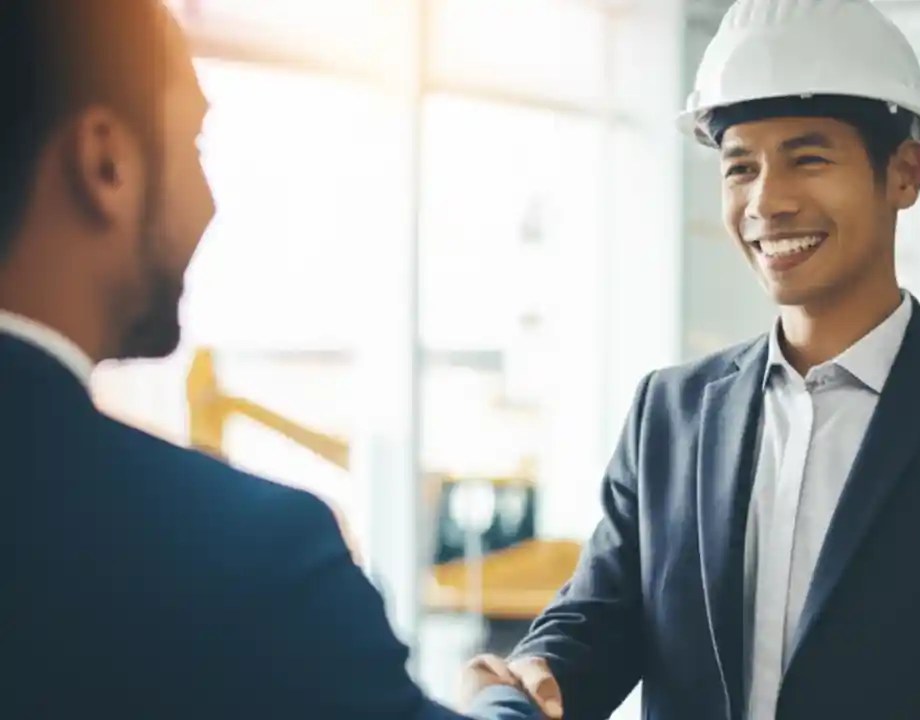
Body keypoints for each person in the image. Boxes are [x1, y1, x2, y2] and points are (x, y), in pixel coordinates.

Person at [462, 1, 920, 718]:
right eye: (739, 167)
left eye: (808, 158)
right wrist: (534, 673)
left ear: (903, 174)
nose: (766, 201)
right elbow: (600, 614)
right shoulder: (671, 412)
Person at [0, 2, 537, 718]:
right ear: (105, 163)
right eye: (193, 144)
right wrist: (504, 701)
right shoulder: (238, 560)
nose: (211, 203)